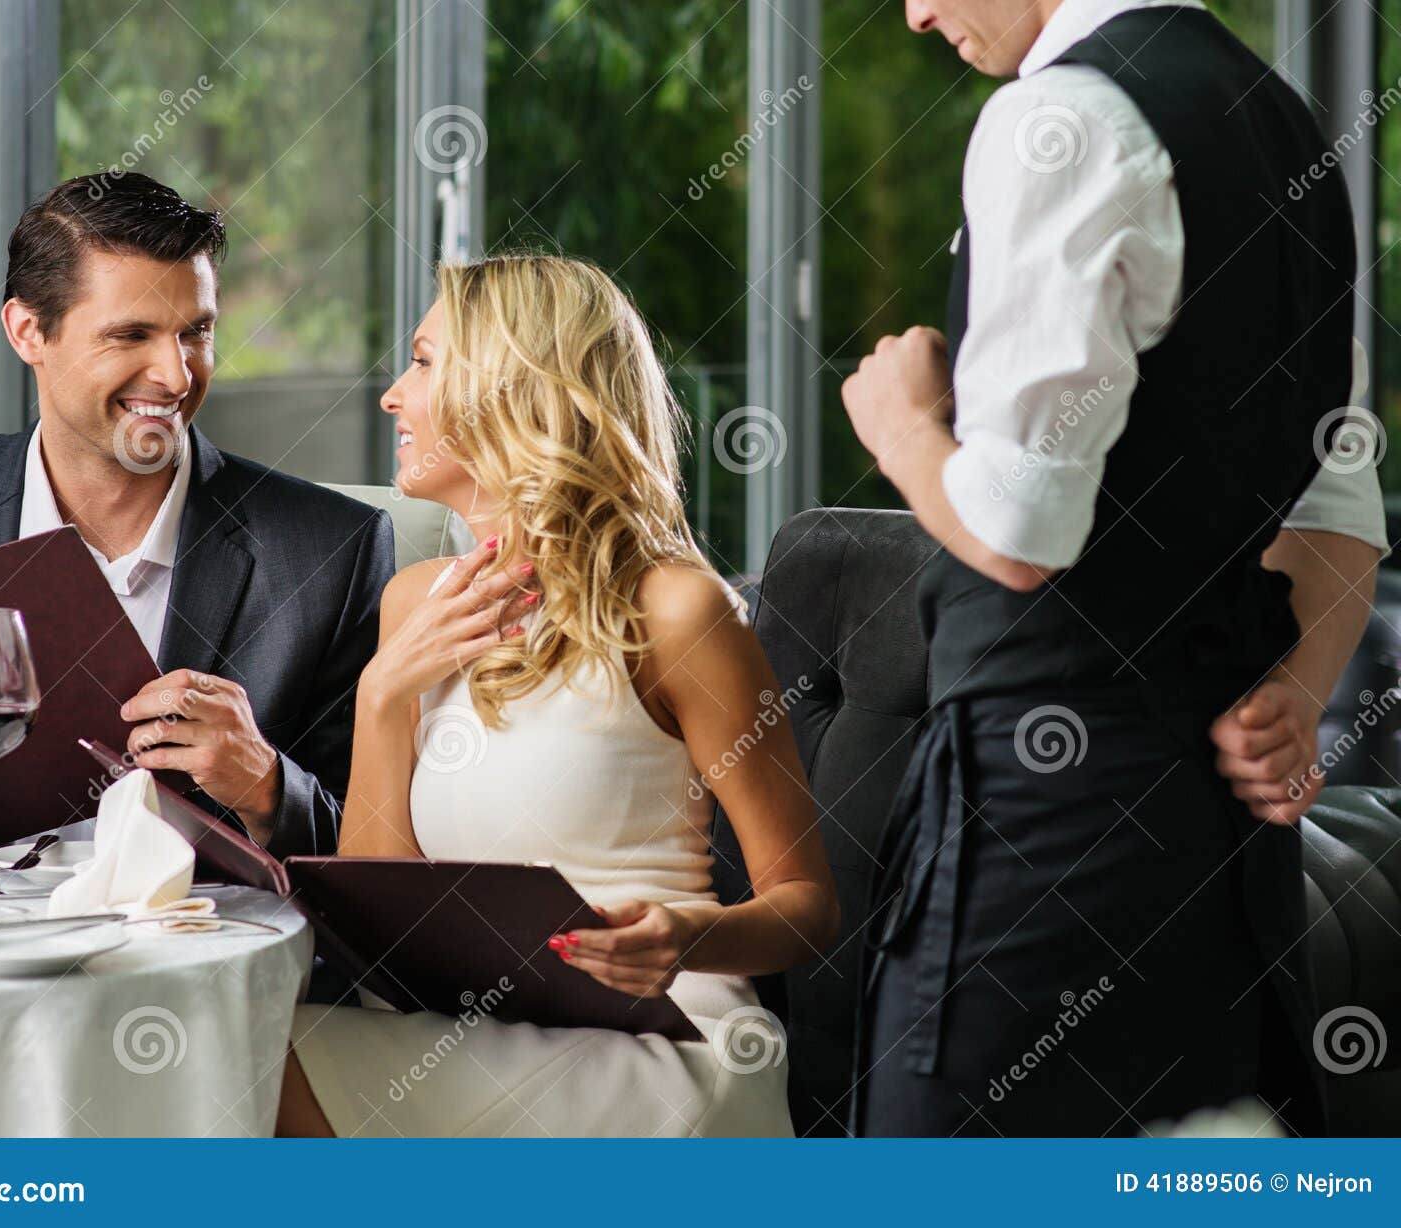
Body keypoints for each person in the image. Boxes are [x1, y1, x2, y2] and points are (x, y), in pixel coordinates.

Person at [840, 0, 1387, 1135]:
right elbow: (1338, 490)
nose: (915, 13)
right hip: (1220, 847)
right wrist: (1292, 686)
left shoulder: (1058, 116)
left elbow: (1015, 531)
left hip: (1047, 822)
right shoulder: (1287, 131)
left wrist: (896, 425)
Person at [276, 254, 838, 1137]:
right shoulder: (415, 604)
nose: (392, 395)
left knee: (248, 1076)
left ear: (517, 390)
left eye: (423, 362)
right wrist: (384, 696)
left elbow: (806, 906)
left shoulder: (676, 609)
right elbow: (377, 926)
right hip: (472, 1028)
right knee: (223, 1047)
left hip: (668, 1042)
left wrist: (682, 937)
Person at [0, 172, 390, 857]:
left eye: (196, 332)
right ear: (28, 330)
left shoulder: (334, 550)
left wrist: (265, 784)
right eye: (131, 335)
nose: (177, 376)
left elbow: (373, 869)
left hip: (204, 953)